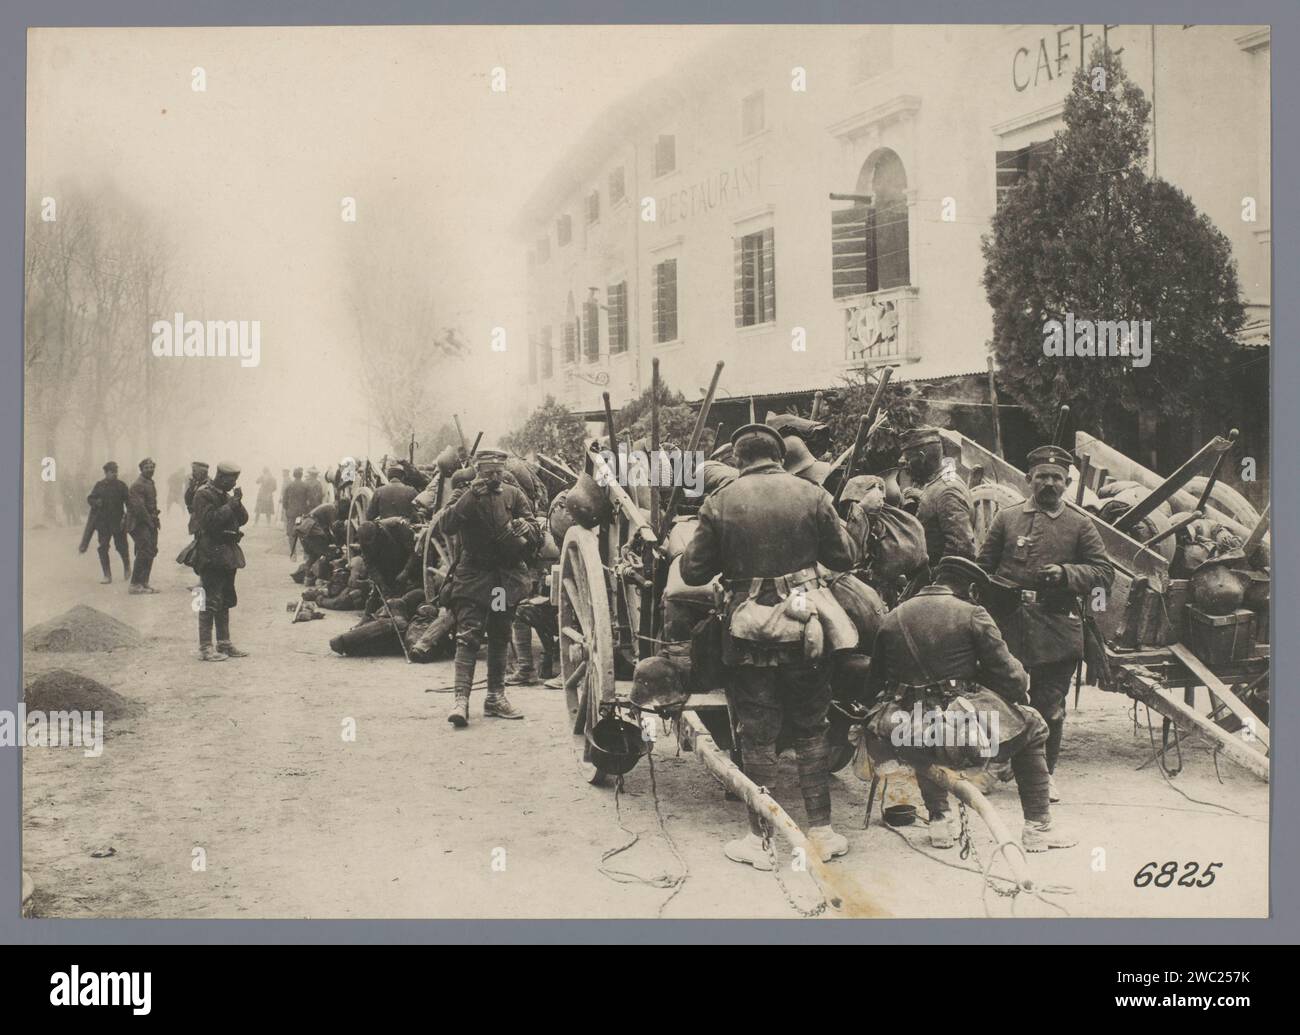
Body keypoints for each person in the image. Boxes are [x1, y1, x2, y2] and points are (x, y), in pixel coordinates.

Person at [680, 423, 856, 869]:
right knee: (812, 725)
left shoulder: (720, 501)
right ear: (779, 456)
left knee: (756, 732)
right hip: (806, 628)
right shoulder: (812, 494)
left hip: (747, 633)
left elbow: (694, 572)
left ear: (738, 459)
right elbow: (844, 558)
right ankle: (822, 832)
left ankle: (760, 841)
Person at [867, 556, 1077, 852]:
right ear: (973, 589)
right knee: (1034, 726)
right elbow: (1014, 679)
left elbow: (875, 680)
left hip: (901, 733)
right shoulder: (972, 614)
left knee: (923, 727)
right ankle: (1038, 828)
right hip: (956, 733)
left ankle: (940, 821)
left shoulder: (893, 616)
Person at [977, 444, 1114, 803]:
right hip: (1006, 628)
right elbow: (982, 568)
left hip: (1056, 628)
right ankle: (995, 764)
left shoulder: (1080, 524)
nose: (1049, 483)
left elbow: (1103, 572)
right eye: (1042, 477)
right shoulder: (1006, 519)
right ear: (1028, 480)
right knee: (1000, 699)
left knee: (1049, 707)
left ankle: (1044, 775)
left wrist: (1067, 573)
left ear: (1067, 483)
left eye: (1056, 478)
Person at [435, 447, 541, 727]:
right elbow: (446, 524)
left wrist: (524, 527)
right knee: (468, 635)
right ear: (478, 471)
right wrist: (472, 495)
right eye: (488, 472)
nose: (494, 477)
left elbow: (534, 525)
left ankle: (495, 697)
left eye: (498, 472)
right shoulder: (463, 494)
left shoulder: (512, 493)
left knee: (498, 634)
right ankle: (460, 701)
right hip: (474, 578)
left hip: (501, 580)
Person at [191, 461, 250, 661]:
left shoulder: (224, 495)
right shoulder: (203, 493)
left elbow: (243, 519)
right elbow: (208, 522)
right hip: (210, 553)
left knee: (224, 598)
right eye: (232, 479)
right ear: (221, 477)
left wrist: (237, 503)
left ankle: (224, 643)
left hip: (227, 553)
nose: (234, 484)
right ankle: (205, 647)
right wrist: (229, 506)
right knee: (207, 599)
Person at [898, 426, 975, 568]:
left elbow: (961, 548)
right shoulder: (937, 482)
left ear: (921, 457)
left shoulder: (947, 491)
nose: (906, 466)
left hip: (938, 583)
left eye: (908, 460)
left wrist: (935, 581)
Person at [79, 461, 131, 584]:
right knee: (103, 548)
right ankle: (107, 575)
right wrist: (96, 502)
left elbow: (129, 502)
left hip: (118, 523)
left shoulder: (121, 485)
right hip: (103, 524)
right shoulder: (99, 485)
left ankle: (127, 568)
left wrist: (126, 517)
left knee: (122, 547)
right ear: (106, 473)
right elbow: (90, 498)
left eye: (116, 472)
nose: (115, 474)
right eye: (112, 472)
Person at [125, 457, 161, 594]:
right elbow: (139, 508)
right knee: (144, 550)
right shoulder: (138, 485)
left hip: (149, 521)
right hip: (138, 523)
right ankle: (134, 584)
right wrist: (150, 522)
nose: (150, 470)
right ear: (141, 469)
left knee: (151, 550)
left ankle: (144, 582)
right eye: (147, 467)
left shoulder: (149, 483)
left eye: (152, 467)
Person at [281, 467, 310, 557]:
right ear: (301, 475)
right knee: (303, 533)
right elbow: (309, 500)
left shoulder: (289, 486)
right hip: (302, 514)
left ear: (294, 475)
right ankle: (305, 554)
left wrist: (287, 509)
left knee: (291, 534)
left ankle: (293, 553)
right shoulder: (305, 486)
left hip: (291, 514)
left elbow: (284, 501)